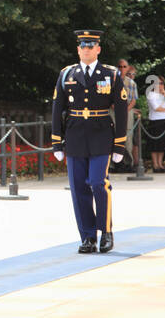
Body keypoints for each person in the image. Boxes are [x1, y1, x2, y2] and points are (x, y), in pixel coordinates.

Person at [51, 29, 129, 253]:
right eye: (82, 46)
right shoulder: (67, 74)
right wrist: (57, 141)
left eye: (90, 46)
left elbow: (121, 109)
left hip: (101, 135)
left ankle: (105, 231)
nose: (86, 50)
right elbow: (57, 108)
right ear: (78, 49)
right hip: (75, 135)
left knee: (97, 183)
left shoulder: (111, 74)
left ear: (98, 49)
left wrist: (120, 143)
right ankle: (87, 237)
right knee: (78, 188)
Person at [143, 75, 165, 173]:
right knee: (155, 144)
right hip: (155, 121)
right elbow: (156, 107)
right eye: (157, 83)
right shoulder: (151, 94)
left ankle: (160, 164)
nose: (160, 85)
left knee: (162, 145)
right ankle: (155, 164)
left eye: (161, 83)